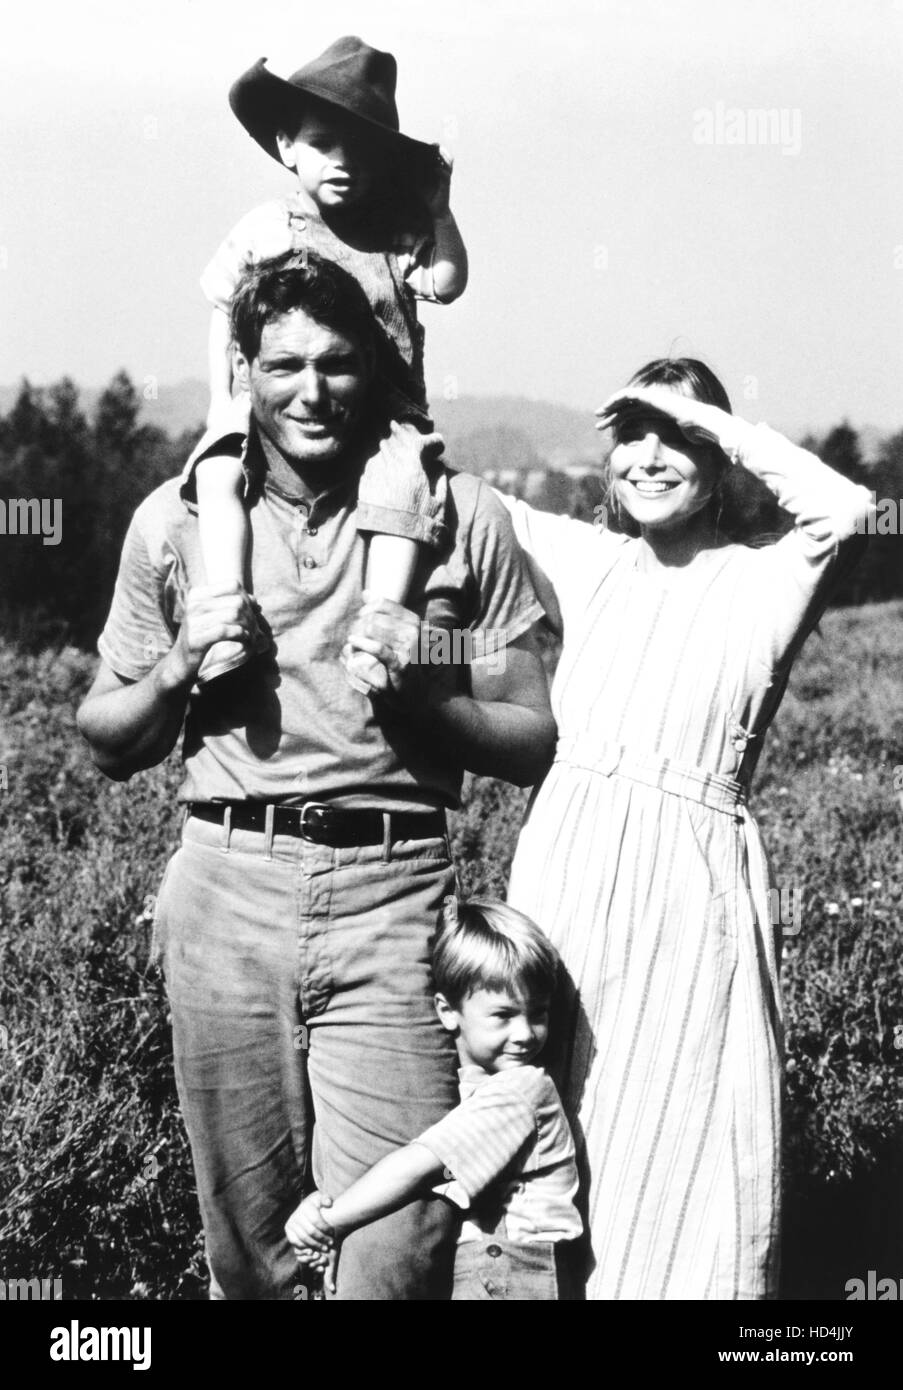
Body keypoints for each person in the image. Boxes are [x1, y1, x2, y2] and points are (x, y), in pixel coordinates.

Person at [76, 251, 553, 1301]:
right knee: (252, 1252)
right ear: (241, 371)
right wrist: (175, 667)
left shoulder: (461, 513)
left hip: (393, 894)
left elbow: (530, 734)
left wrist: (428, 691)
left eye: (338, 364)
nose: (311, 389)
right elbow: (108, 739)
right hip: (224, 887)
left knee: (399, 1246)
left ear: (375, 372)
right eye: (282, 363)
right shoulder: (178, 522)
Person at [489, 358, 875, 1299]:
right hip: (568, 865)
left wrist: (698, 412)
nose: (651, 457)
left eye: (680, 437)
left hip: (688, 878)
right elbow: (458, 500)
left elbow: (847, 507)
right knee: (553, 1107)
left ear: (721, 456)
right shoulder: (587, 561)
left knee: (679, 1117)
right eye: (631, 435)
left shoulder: (768, 578)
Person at [193, 35, 468, 685]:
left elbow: (448, 282)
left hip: (383, 406)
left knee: (405, 480)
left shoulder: (394, 231)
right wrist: (221, 401)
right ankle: (229, 609)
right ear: (287, 147)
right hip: (279, 404)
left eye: (361, 149)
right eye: (322, 143)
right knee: (214, 469)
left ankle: (378, 626)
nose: (341, 162)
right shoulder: (269, 227)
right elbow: (219, 306)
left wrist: (440, 211)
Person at [285, 896, 582, 1300]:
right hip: (492, 1272)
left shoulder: (523, 1090)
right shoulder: (470, 1094)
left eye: (538, 1013)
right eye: (504, 1015)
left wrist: (329, 1220)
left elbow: (418, 1167)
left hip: (519, 1274)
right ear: (447, 1011)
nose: (525, 1033)